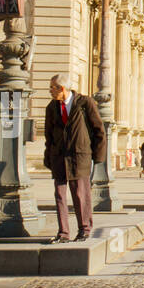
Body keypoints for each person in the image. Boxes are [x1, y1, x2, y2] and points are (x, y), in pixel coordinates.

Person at [43, 73, 105, 244]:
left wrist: (98, 156)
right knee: (60, 195)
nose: (50, 91)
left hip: (79, 156)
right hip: (59, 157)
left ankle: (84, 229)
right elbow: (49, 135)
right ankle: (63, 233)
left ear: (62, 89)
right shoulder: (51, 107)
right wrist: (48, 156)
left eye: (52, 88)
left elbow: (99, 130)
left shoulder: (85, 103)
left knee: (80, 194)